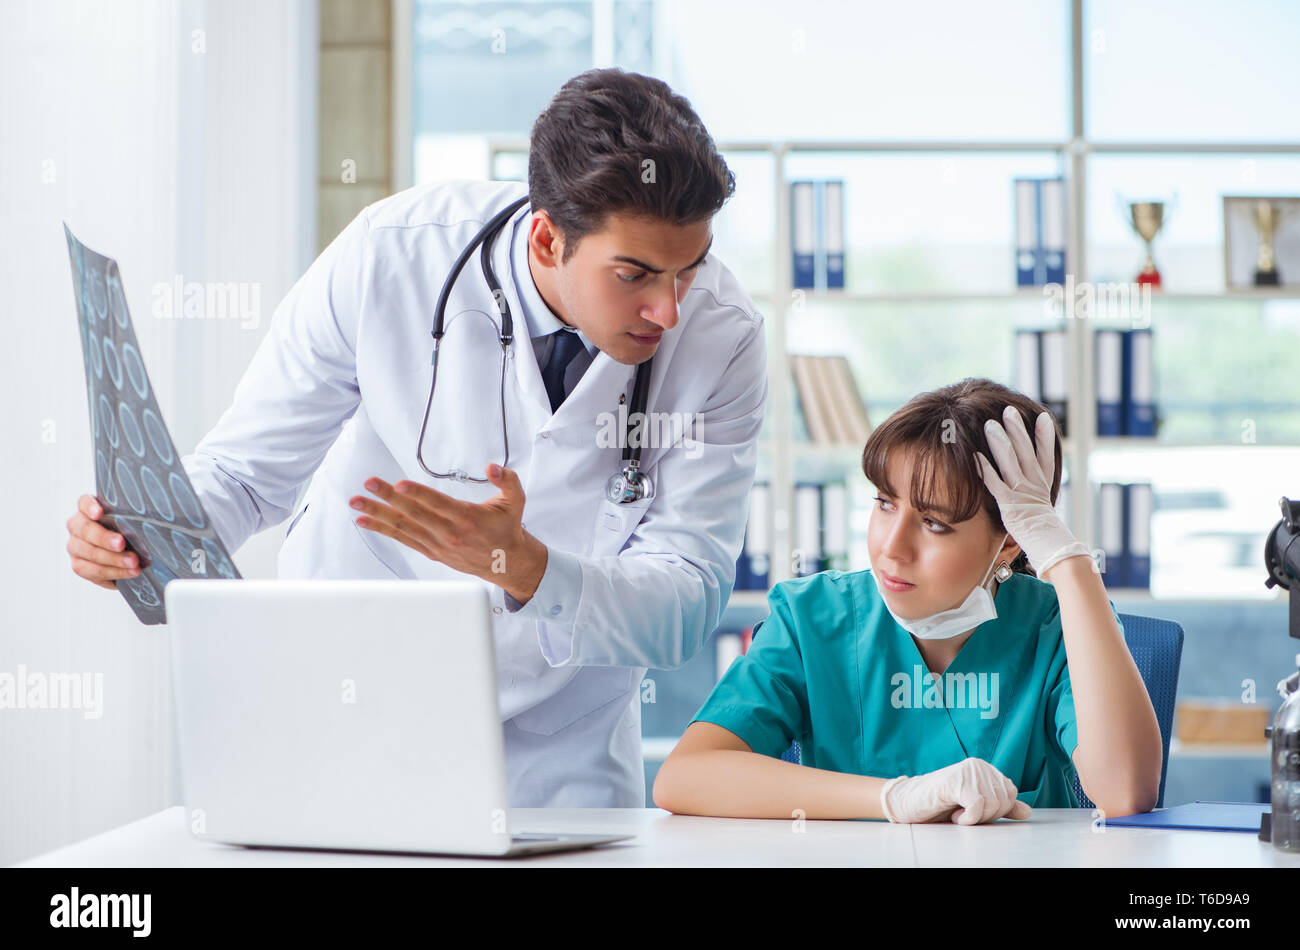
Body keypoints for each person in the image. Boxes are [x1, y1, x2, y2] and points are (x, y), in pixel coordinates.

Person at [64, 68, 768, 808]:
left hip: (560, 746)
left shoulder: (723, 340)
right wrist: (146, 531)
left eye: (689, 269)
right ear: (547, 237)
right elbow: (246, 474)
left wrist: (531, 569)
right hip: (351, 690)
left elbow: (687, 602)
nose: (668, 309)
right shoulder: (390, 256)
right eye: (636, 274)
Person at [654, 378, 1162, 824]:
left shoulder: (1057, 625)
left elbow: (1125, 793)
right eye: (883, 503)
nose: (890, 548)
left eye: (934, 523)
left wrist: (1066, 561)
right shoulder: (813, 618)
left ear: (1009, 540)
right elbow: (684, 777)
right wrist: (894, 798)